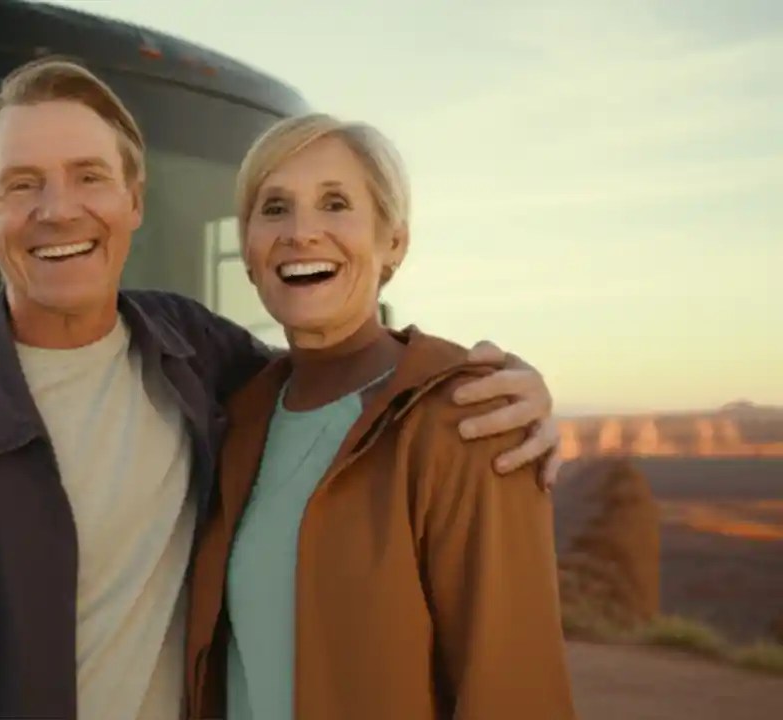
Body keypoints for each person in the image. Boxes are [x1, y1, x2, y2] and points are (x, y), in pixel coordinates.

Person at [0, 58, 562, 720]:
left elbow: (339, 369)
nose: (59, 209)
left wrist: (493, 379)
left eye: (89, 176)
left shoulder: (198, 359)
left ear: (133, 200)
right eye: (21, 185)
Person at [183, 113, 577, 720]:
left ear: (392, 241)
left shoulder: (466, 417)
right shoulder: (236, 417)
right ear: (249, 249)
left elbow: (514, 687)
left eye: (335, 203)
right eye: (275, 208)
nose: (301, 232)